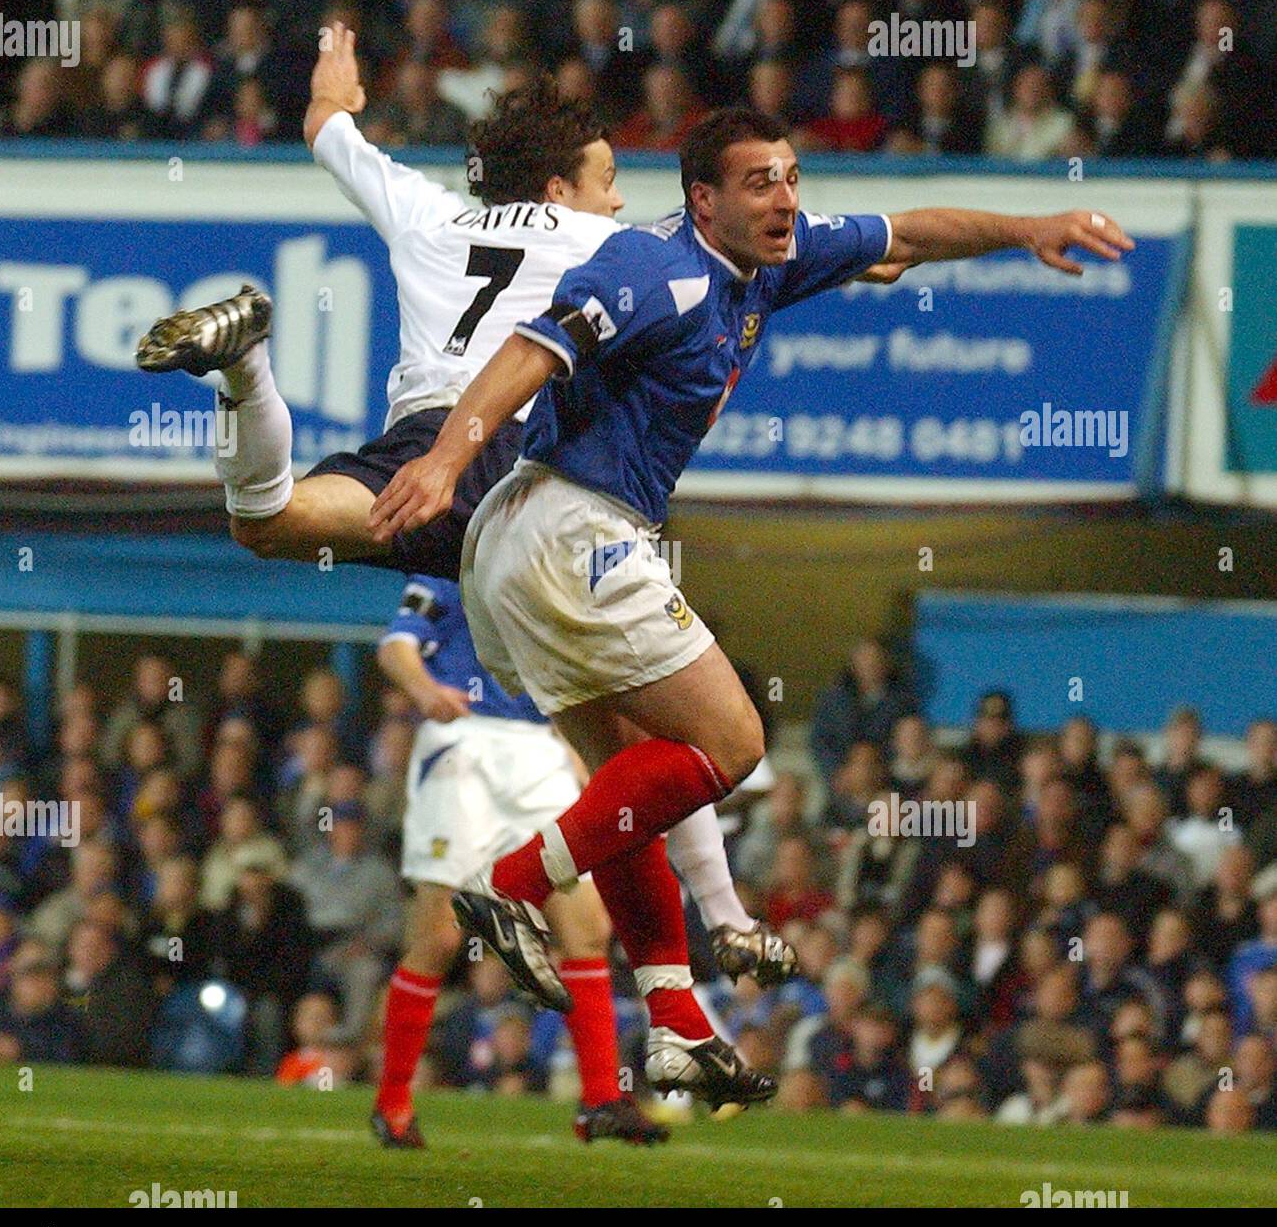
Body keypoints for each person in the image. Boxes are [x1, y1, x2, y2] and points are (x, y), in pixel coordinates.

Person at [367, 104, 1133, 1101]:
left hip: (527, 546)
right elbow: (529, 353)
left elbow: (908, 232)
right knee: (732, 743)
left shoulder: (769, 256)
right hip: (569, 528)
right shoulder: (653, 269)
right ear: (703, 200)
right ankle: (509, 885)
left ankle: (676, 1020)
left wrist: (1028, 229)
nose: (785, 198)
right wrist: (440, 457)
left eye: (791, 176)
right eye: (759, 182)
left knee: (627, 800)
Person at [135, 26, 794, 1006]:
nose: (620, 197)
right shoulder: (623, 248)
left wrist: (336, 88)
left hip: (415, 456)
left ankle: (243, 369)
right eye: (608, 177)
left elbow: (326, 130)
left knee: (267, 520)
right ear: (564, 188)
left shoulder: (433, 216)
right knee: (650, 732)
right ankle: (719, 927)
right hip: (529, 473)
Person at [370, 572, 669, 1147]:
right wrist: (423, 690)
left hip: (539, 750)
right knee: (439, 936)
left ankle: (600, 1099)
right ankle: (393, 1103)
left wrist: (572, 745)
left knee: (587, 926)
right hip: (464, 742)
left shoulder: (547, 568)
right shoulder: (448, 564)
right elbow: (397, 644)